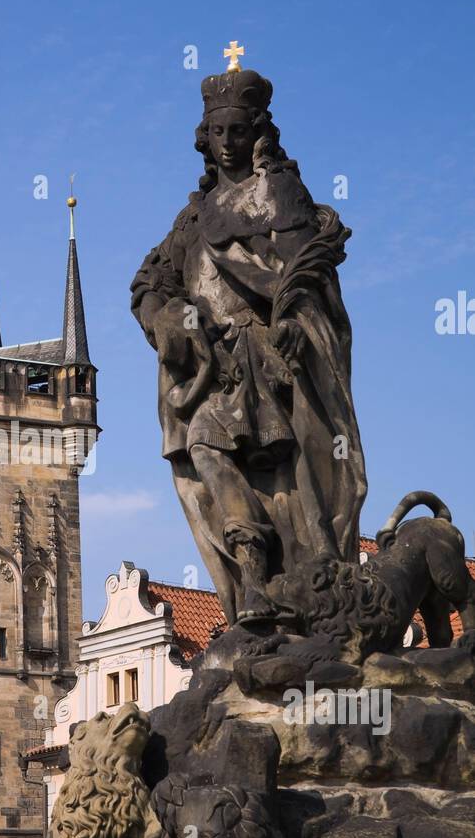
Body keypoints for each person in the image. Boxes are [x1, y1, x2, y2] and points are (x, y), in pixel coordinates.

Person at [131, 56, 366, 625]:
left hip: (269, 357)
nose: (229, 143)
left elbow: (305, 270)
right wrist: (168, 318)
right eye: (218, 132)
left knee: (293, 483)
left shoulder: (279, 190)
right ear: (204, 139)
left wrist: (292, 318)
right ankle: (252, 583)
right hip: (209, 363)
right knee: (205, 448)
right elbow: (149, 281)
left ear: (258, 130)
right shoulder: (194, 215)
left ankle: (301, 589)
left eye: (239, 130)